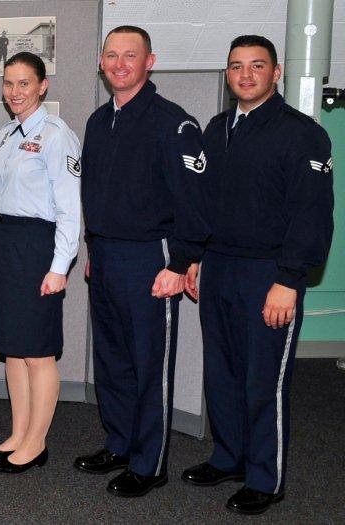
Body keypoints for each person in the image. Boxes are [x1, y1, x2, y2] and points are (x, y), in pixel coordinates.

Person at [181, 35, 333, 515]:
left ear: (276, 72)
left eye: (257, 65)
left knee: (263, 379)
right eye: (236, 67)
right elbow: (205, 203)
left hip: (270, 274)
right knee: (222, 372)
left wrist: (288, 280)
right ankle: (229, 457)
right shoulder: (217, 128)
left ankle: (266, 479)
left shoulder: (301, 133)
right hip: (220, 267)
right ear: (227, 74)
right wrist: (197, 257)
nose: (245, 75)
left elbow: (312, 215)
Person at [75, 25, 208, 497]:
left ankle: (150, 464)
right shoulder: (97, 121)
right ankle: (120, 442)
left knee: (150, 365)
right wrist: (94, 249)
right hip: (106, 256)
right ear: (101, 61)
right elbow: (94, 193)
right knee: (112, 360)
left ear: (150, 61)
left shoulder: (174, 123)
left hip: (152, 259)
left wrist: (181, 263)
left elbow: (195, 202)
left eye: (129, 56)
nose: (119, 64)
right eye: (111, 55)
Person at [0, 52, 81, 473]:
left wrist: (59, 268)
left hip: (37, 246)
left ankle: (37, 442)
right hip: (2, 243)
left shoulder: (57, 136)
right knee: (13, 350)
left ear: (42, 86)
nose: (15, 92)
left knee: (37, 351)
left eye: (24, 83)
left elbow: (70, 210)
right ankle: (19, 433)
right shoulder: (3, 136)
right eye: (8, 83)